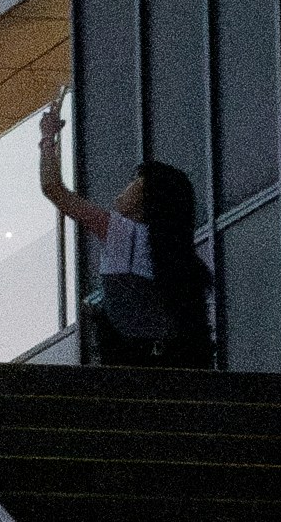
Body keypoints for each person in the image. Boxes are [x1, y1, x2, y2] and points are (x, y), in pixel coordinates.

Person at [40, 113, 216, 369]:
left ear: (146, 200)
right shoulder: (176, 251)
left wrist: (47, 137)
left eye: (135, 182)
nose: (126, 187)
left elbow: (53, 188)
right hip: (177, 360)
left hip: (132, 359)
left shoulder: (125, 234)